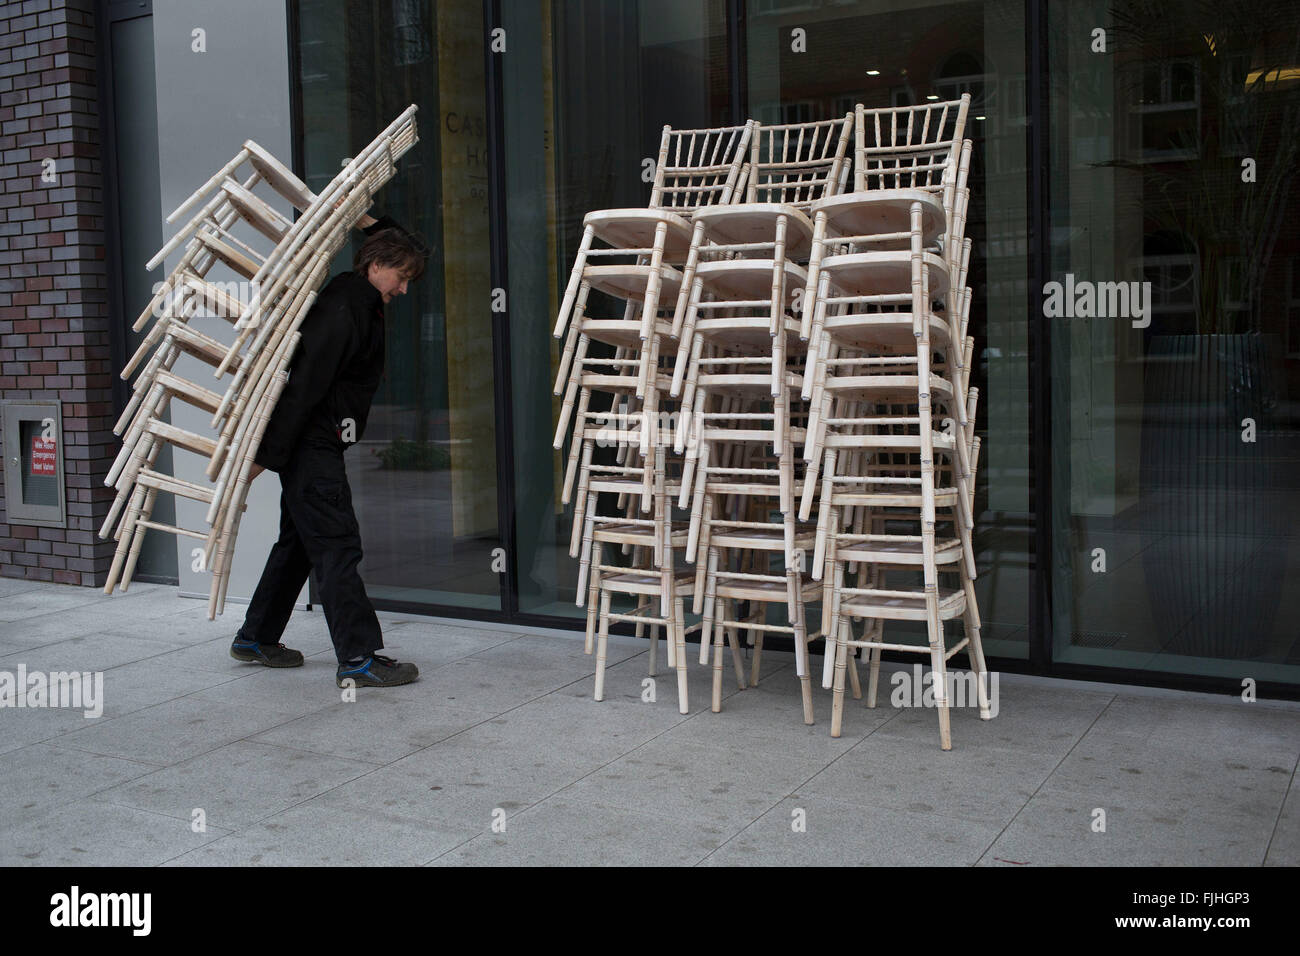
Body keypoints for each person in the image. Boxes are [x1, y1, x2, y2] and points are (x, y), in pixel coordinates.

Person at [229, 211, 430, 689]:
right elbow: (301, 389)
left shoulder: (359, 296)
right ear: (377, 265)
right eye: (402, 278)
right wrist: (264, 456)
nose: (404, 289)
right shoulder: (344, 310)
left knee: (300, 542)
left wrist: (368, 219)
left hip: (315, 442)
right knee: (338, 543)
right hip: (310, 444)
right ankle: (358, 658)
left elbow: (397, 241)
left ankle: (256, 637)